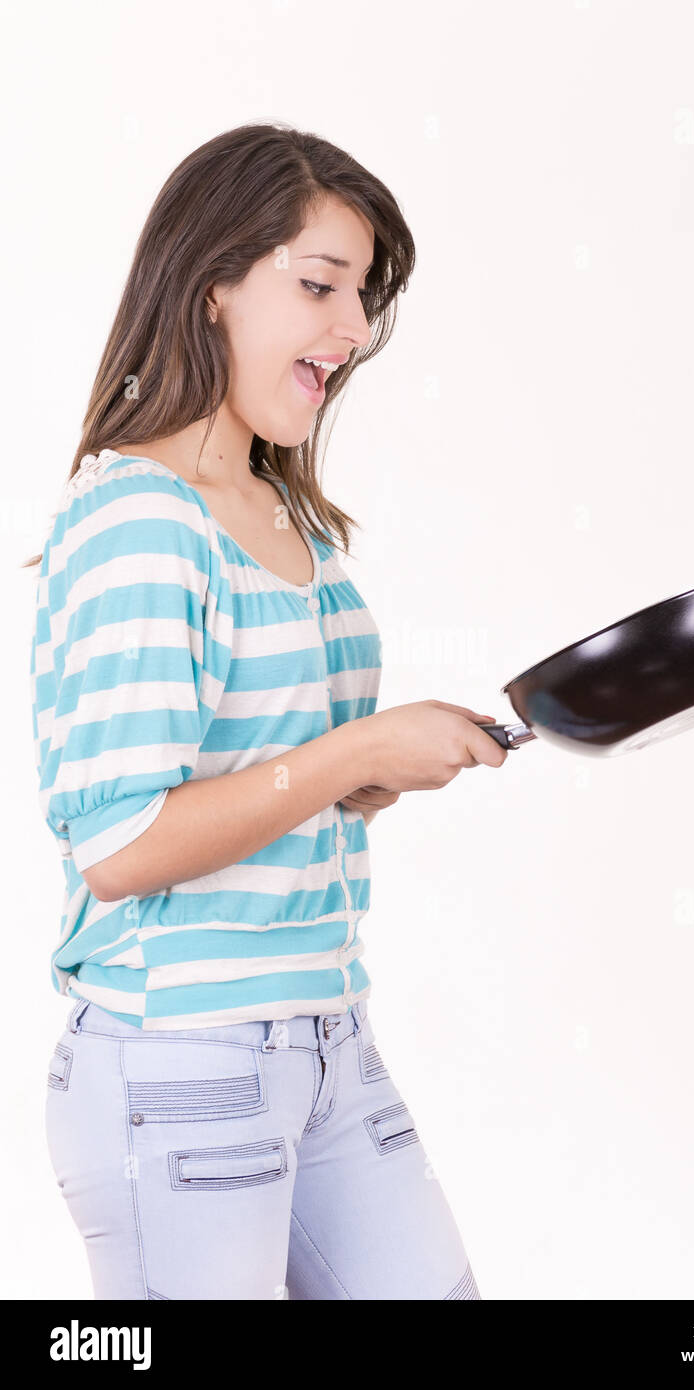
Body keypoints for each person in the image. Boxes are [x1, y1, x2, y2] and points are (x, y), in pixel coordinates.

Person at [27, 121, 507, 1300]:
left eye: (363, 296)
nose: (352, 330)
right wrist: (349, 748)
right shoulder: (143, 521)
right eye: (318, 285)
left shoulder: (284, 514)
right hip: (179, 1056)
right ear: (209, 288)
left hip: (325, 1035)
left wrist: (365, 779)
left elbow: (260, 784)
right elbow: (121, 844)